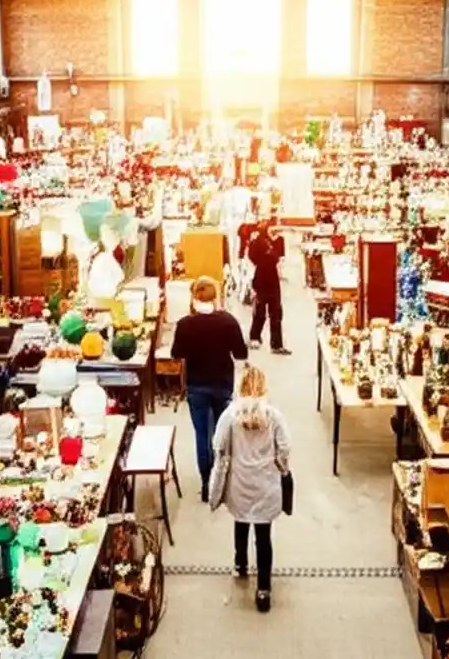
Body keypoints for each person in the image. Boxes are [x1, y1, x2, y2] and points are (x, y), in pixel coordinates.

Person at [208, 365, 291, 613]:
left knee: (241, 522)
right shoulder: (274, 416)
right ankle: (263, 589)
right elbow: (285, 447)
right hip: (266, 484)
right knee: (264, 535)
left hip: (239, 482)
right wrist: (278, 464)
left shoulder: (231, 415)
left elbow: (217, 444)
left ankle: (240, 564)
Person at [169, 277, 248, 502]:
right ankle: (222, 479)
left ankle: (206, 484)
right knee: (222, 432)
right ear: (216, 297)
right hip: (222, 383)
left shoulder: (185, 324)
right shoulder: (228, 321)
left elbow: (176, 353)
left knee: (202, 434)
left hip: (197, 385)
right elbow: (241, 353)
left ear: (193, 299)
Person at [247, 221, 290, 354]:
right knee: (260, 310)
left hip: (272, 279)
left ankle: (276, 344)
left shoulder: (277, 241)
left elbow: (279, 257)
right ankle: (254, 337)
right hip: (262, 279)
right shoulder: (259, 242)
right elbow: (253, 256)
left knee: (276, 312)